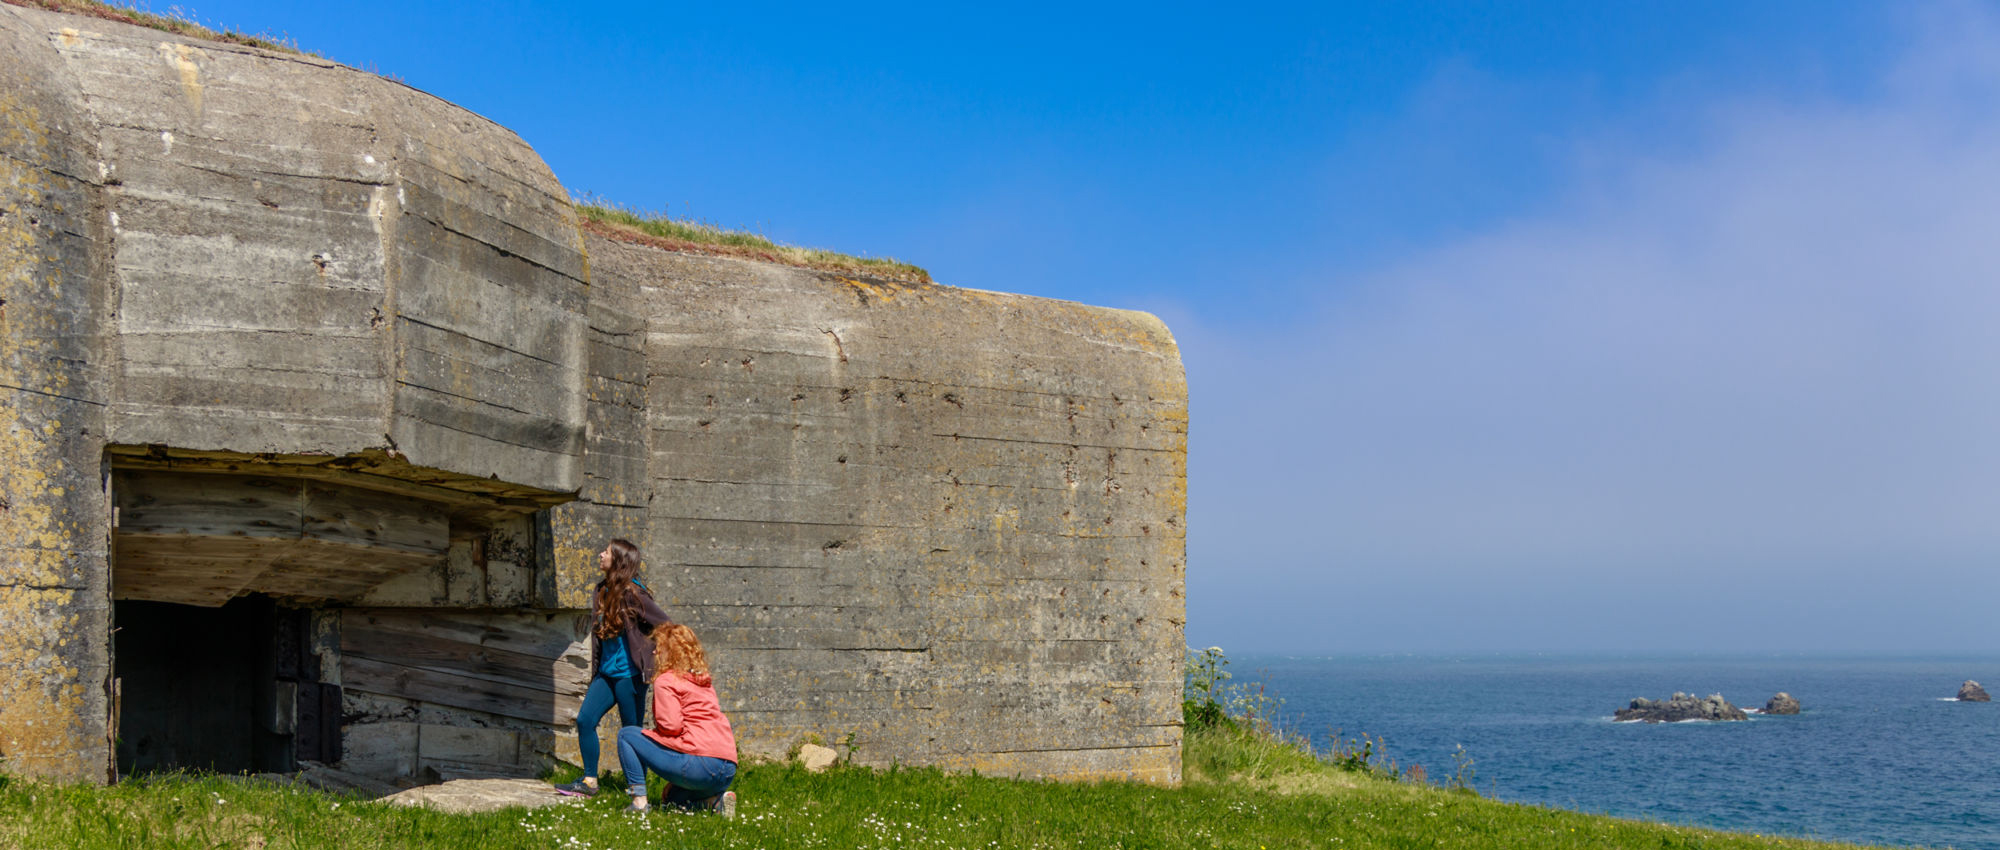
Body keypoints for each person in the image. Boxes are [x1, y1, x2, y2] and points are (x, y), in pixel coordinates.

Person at [556, 538, 674, 797]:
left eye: (606, 552)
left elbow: (666, 624)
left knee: (631, 732)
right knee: (586, 720)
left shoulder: (634, 593)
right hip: (606, 674)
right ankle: (589, 782)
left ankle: (638, 792)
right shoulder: (601, 590)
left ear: (618, 560)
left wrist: (656, 650)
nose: (600, 554)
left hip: (629, 676)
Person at [615, 623, 738, 817]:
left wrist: (652, 736)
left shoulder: (666, 680)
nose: (654, 651)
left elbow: (671, 726)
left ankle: (639, 803)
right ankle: (715, 802)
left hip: (700, 764)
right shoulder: (703, 681)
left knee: (627, 735)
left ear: (670, 652)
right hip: (727, 768)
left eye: (660, 647)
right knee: (671, 798)